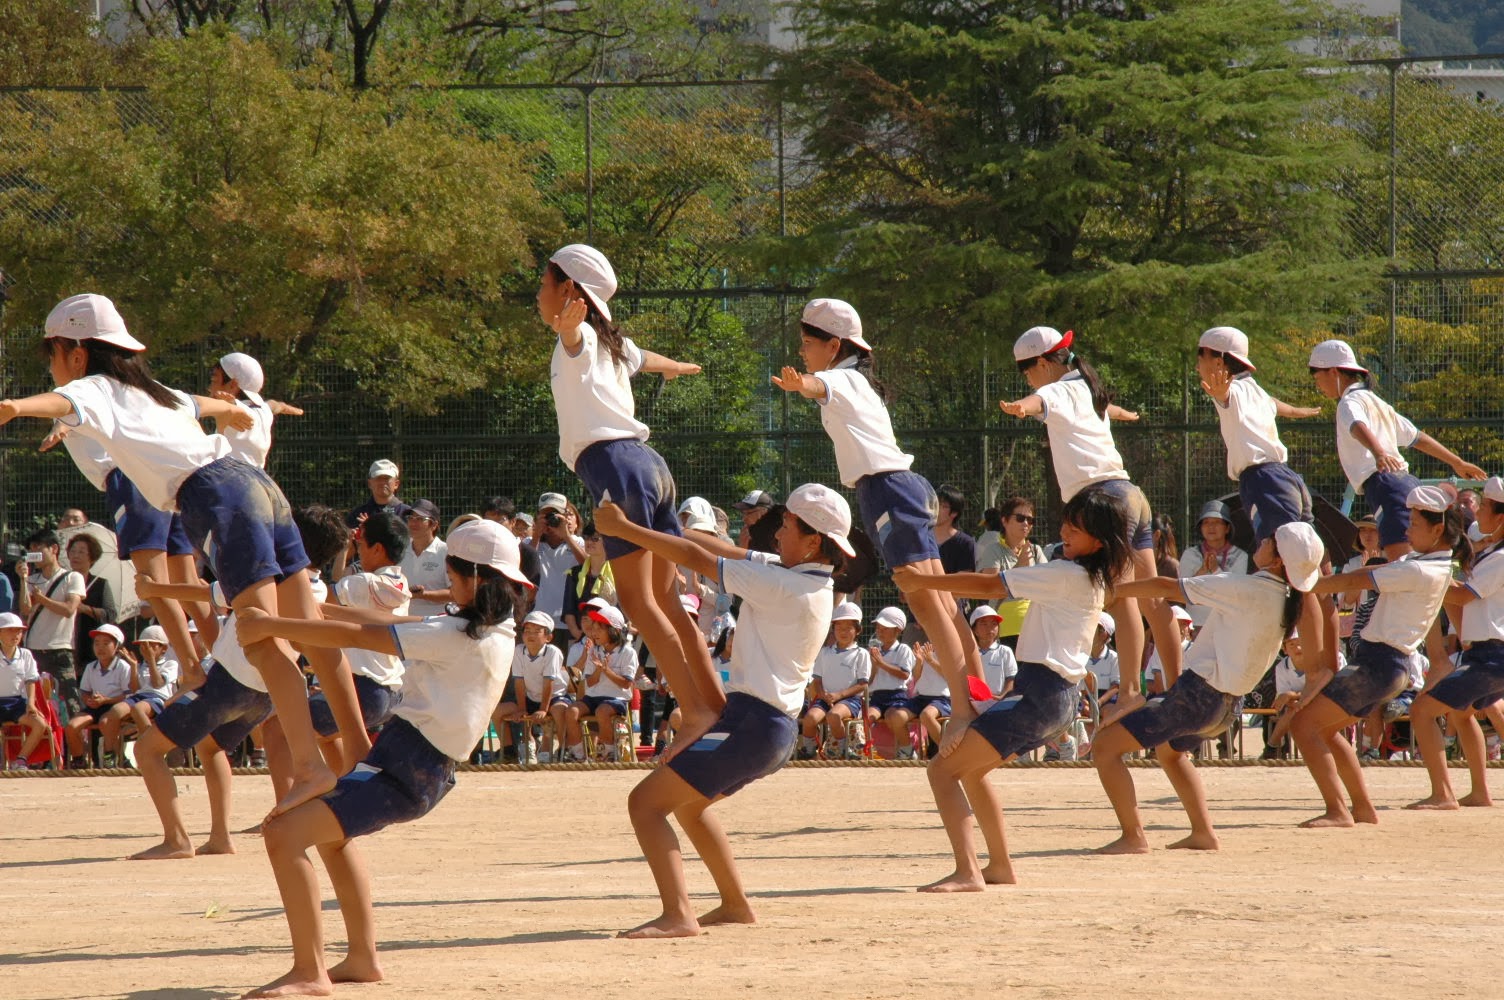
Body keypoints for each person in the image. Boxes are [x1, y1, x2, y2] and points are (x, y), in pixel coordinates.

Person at [0, 292, 360, 816]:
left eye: (51, 353)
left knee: (260, 635)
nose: (52, 366)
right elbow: (202, 403)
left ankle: (310, 767)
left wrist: (11, 407)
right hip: (258, 486)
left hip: (216, 496)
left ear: (76, 352)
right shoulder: (154, 390)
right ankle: (361, 755)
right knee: (305, 628)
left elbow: (58, 403)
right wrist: (235, 411)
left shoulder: (92, 387)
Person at [229, 519, 529, 997]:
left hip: (407, 769)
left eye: (452, 579)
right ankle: (362, 959)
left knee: (283, 835)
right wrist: (309, 608)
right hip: (407, 764)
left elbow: (363, 637)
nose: (447, 588)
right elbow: (382, 624)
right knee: (332, 837)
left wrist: (270, 625)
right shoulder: (490, 630)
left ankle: (309, 973)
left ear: (474, 578)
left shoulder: (459, 636)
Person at [593, 481, 851, 937]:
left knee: (645, 805)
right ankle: (734, 905)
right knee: (690, 808)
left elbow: (699, 560)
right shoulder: (803, 578)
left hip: (755, 726)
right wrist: (659, 521)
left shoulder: (783, 584)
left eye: (787, 525)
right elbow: (716, 547)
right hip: (765, 728)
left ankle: (678, 915)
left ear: (814, 541)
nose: (777, 533)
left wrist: (627, 528)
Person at [893, 487, 1133, 891]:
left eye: (1076, 527)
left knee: (941, 770)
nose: (1065, 530)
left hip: (1041, 694)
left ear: (1098, 540)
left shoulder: (1065, 574)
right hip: (1053, 696)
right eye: (1067, 523)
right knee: (971, 772)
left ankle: (969, 871)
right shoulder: (1090, 579)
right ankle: (999, 866)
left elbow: (990, 587)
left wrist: (923, 580)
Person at [773, 298, 984, 754]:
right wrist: (808, 382)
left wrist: (802, 384)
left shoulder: (842, 378)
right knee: (940, 599)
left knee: (927, 604)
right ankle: (979, 698)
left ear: (834, 345)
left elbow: (818, 386)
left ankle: (965, 710)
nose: (802, 351)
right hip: (900, 488)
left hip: (887, 490)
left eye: (808, 343)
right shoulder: (854, 377)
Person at [540, 244, 723, 757]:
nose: (539, 293)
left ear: (568, 293)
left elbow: (573, 338)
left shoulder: (576, 340)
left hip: (617, 469)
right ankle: (714, 701)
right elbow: (647, 359)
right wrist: (678, 366)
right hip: (651, 467)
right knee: (666, 603)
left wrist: (567, 328)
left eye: (543, 283)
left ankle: (697, 711)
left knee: (640, 606)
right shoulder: (613, 343)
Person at [1090, 522, 1325, 853]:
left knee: (1104, 747)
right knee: (1170, 753)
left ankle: (1133, 837)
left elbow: (1165, 587)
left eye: (1269, 541)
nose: (1260, 541)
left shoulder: (1247, 587)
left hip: (1199, 696)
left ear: (1277, 561)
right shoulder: (1286, 598)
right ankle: (1203, 832)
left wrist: (1109, 590)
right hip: (1227, 707)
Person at [999, 325, 1183, 722]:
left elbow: (1038, 400)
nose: (1027, 377)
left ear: (1044, 362)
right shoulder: (1085, 386)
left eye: (1026, 370)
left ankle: (1131, 691)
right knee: (1151, 594)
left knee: (1121, 598)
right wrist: (1123, 413)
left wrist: (1021, 405)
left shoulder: (1056, 389)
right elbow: (1103, 410)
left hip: (1100, 502)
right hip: (1130, 493)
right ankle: (1179, 686)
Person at [1294, 485, 1467, 828]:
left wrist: (1306, 580)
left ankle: (1338, 810)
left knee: (1303, 726)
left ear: (1437, 530)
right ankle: (1360, 809)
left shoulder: (1416, 570)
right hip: (1389, 665)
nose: (1407, 530)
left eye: (1415, 524)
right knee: (1325, 731)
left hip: (1379, 664)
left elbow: (1357, 579)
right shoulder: (1434, 564)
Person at [1308, 339, 1485, 559]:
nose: (1317, 385)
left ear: (1333, 372)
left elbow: (1357, 426)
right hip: (1407, 482)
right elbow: (1417, 437)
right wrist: (1456, 462)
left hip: (1386, 485)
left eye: (1317, 377)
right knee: (1421, 564)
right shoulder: (1377, 402)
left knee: (1401, 566)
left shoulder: (1349, 402)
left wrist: (1379, 452)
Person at [1408, 475, 1504, 809]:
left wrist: (1428, 578)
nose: (1479, 516)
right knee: (1462, 715)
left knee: (1422, 711)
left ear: (1499, 517)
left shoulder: (1501, 556)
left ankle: (1442, 793)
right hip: (1485, 653)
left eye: (1486, 508)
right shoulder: (1492, 551)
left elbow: (1462, 596)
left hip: (1491, 655)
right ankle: (1479, 791)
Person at [1195, 326, 1321, 543]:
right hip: (1286, 477)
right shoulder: (1256, 391)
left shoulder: (1230, 392)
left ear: (1218, 363)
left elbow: (1225, 395)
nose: (1198, 367)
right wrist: (1299, 411)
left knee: (1274, 550)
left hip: (1263, 481)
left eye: (1200, 359)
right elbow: (1276, 404)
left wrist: (1219, 392)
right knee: (1306, 547)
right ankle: (1322, 576)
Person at [14, 528, 85, 717]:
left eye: (38, 548)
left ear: (54, 549)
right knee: (35, 705)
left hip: (60, 650)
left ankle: (73, 746)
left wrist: (42, 599)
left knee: (70, 707)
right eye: (31, 549)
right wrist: (23, 579)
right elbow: (26, 610)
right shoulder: (32, 579)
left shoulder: (72, 577)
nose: (33, 553)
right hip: (33, 650)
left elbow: (69, 609)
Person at [493, 610, 571, 766]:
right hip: (530, 697)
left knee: (558, 710)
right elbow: (519, 682)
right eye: (527, 630)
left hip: (554, 697)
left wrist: (543, 709)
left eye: (537, 631)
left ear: (548, 637)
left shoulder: (553, 652)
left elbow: (549, 682)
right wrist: (522, 708)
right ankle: (509, 751)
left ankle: (563, 749)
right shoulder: (518, 651)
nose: (531, 634)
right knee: (497, 711)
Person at [209, 352, 304, 469]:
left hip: (229, 480)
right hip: (257, 479)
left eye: (214, 380)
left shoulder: (235, 410)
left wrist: (227, 402)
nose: (210, 387)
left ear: (233, 384)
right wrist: (291, 409)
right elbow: (275, 405)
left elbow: (234, 407)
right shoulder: (264, 410)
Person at [799, 601, 870, 759]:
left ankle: (843, 748)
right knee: (809, 718)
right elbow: (817, 680)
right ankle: (808, 750)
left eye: (848, 628)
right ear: (833, 630)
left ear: (858, 630)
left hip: (851, 700)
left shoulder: (861, 653)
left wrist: (839, 695)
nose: (842, 632)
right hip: (825, 697)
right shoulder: (824, 652)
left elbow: (863, 684)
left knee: (834, 716)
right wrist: (823, 694)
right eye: (838, 627)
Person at [64, 623, 133, 767]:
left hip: (115, 707)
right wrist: (88, 700)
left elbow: (128, 695)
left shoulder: (123, 667)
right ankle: (79, 760)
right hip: (95, 706)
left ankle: (109, 756)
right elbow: (84, 691)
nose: (100, 648)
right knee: (71, 726)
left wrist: (106, 700)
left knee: (105, 722)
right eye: (96, 643)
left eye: (106, 643)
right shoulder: (91, 667)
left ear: (117, 646)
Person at [988, 497, 1050, 652]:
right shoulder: (993, 550)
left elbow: (1047, 586)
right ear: (1005, 521)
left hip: (1036, 627)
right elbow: (990, 588)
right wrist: (1019, 567)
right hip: (1005, 627)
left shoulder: (1036, 551)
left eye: (1030, 520)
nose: (1026, 524)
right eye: (1020, 518)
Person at [578, 604, 638, 760]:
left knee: (602, 711)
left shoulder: (628, 652)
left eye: (600, 629)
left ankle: (609, 750)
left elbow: (626, 684)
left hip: (616, 699)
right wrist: (599, 670)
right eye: (594, 628)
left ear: (614, 630)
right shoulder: (594, 651)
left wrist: (607, 670)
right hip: (593, 697)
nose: (594, 633)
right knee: (571, 711)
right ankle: (577, 754)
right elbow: (589, 683)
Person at [532, 492, 587, 651]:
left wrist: (567, 536)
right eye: (546, 515)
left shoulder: (577, 542)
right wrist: (536, 535)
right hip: (538, 621)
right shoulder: (531, 543)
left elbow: (589, 566)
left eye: (555, 515)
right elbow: (524, 568)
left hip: (569, 623)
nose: (551, 520)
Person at [0, 612, 50, 769]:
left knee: (40, 724)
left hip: (17, 703)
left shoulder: (26, 654)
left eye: (19, 631)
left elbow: (31, 680)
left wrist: (31, 704)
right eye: (10, 630)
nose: (15, 635)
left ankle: (21, 760)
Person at [66, 533, 117, 671]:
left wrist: (85, 609)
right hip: (64, 645)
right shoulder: (62, 581)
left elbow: (111, 614)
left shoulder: (100, 584)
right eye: (73, 551)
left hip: (89, 648)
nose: (75, 555)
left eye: (81, 552)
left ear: (92, 558)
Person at [123, 624, 178, 736]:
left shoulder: (170, 664)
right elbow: (134, 690)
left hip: (159, 699)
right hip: (139, 698)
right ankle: (111, 752)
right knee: (113, 713)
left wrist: (151, 659)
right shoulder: (140, 665)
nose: (145, 649)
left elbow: (157, 683)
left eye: (151, 646)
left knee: (138, 709)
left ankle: (148, 742)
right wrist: (134, 667)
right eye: (142, 645)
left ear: (164, 648)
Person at [400, 500, 449, 617]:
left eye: (420, 519)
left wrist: (423, 594)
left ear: (434, 525)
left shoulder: (446, 552)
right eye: (411, 517)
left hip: (437, 622)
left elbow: (455, 593)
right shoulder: (399, 550)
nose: (413, 522)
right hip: (403, 622)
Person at [971, 605, 1019, 706]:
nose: (990, 628)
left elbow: (1011, 678)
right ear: (975, 630)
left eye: (994, 623)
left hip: (998, 702)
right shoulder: (968, 654)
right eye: (984, 624)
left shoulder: (1005, 651)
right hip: (972, 702)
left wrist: (1003, 696)